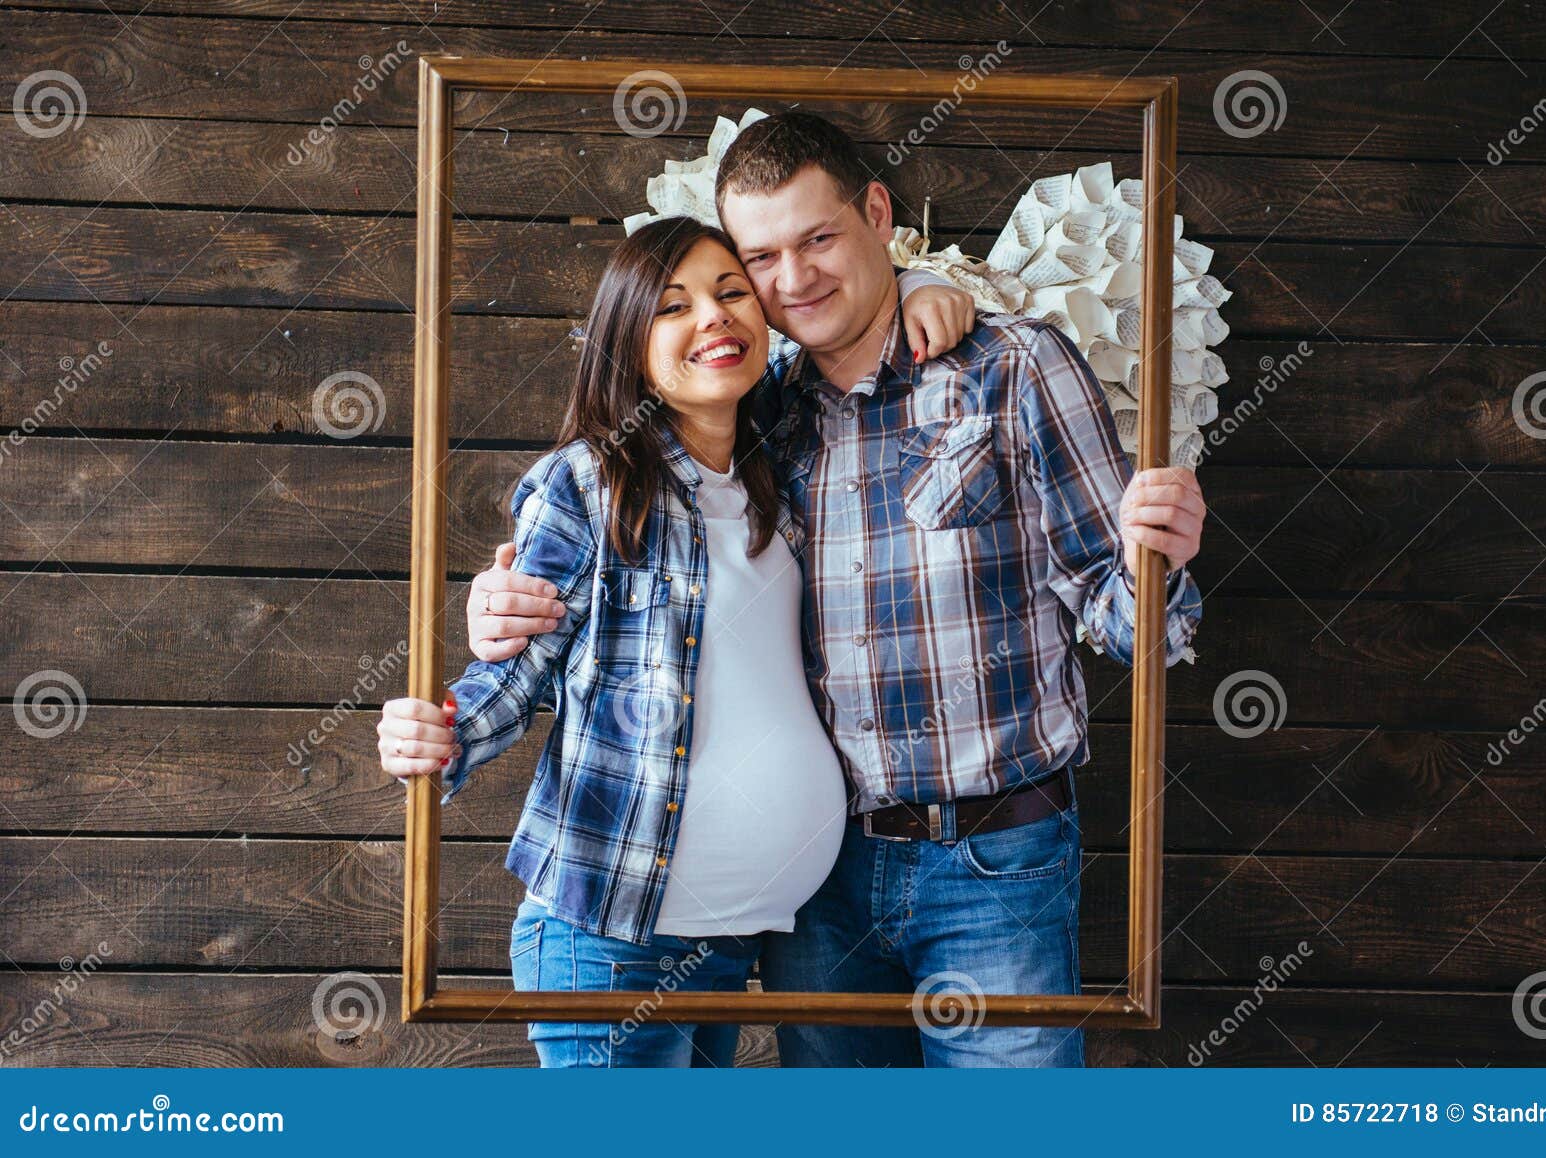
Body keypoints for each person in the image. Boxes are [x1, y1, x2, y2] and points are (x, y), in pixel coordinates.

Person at [467, 112, 1209, 1068]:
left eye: (818, 240)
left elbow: (1128, 625)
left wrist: (1164, 560)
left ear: (876, 213)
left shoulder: (1016, 369)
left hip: (993, 861)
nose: (793, 280)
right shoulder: (760, 411)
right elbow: (617, 525)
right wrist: (501, 610)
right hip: (819, 891)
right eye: (761, 258)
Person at [376, 214, 974, 1068]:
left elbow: (849, 338)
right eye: (673, 306)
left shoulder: (783, 462)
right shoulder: (590, 480)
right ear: (628, 341)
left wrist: (914, 284)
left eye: (733, 294)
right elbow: (520, 663)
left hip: (726, 951)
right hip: (613, 934)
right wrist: (440, 732)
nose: (714, 318)